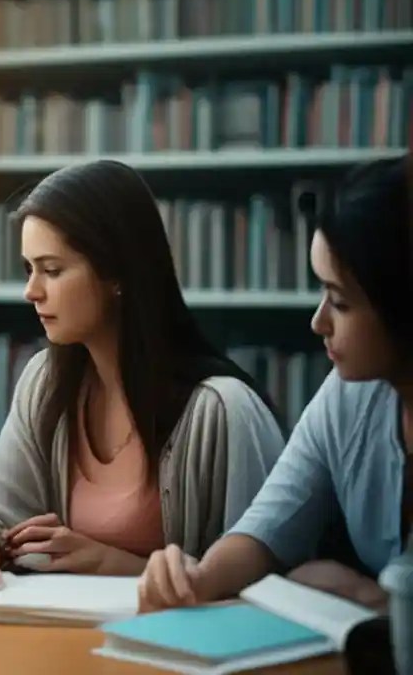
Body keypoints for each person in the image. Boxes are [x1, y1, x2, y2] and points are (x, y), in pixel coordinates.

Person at [0, 160, 285, 586]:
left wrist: (112, 564)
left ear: (117, 273)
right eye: (29, 269)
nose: (31, 291)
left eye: (52, 270)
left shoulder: (221, 410)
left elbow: (260, 583)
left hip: (169, 630)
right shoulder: (45, 382)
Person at [140, 155, 412, 611]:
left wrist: (376, 602)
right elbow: (267, 528)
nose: (318, 322)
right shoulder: (349, 396)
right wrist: (198, 578)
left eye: (340, 301)